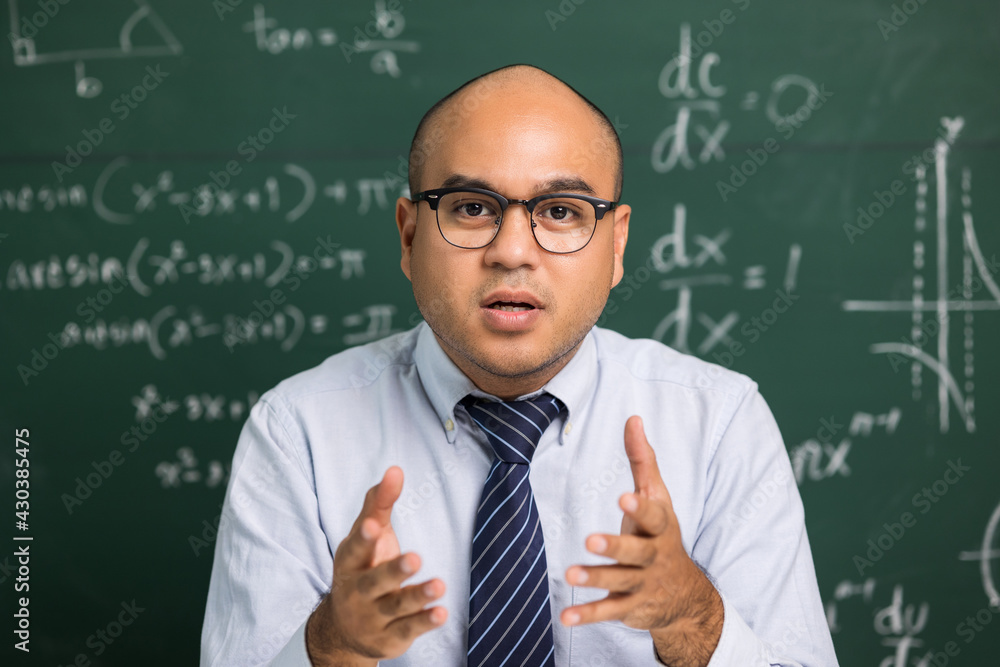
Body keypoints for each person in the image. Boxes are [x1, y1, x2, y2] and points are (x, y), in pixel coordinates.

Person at [200, 64, 839, 666]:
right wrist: (333, 645)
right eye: (472, 207)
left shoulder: (720, 421)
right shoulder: (297, 431)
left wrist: (691, 616)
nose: (511, 252)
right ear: (409, 235)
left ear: (616, 245)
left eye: (560, 212)